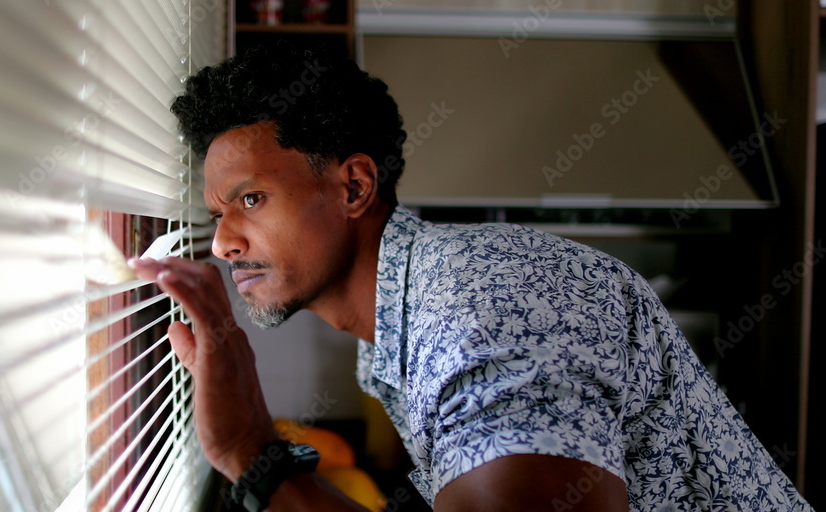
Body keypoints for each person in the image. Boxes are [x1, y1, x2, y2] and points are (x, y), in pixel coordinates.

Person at [128, 42, 813, 511]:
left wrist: (250, 446)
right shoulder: (405, 322)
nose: (221, 242)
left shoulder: (477, 317)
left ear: (355, 185)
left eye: (251, 199)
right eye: (217, 212)